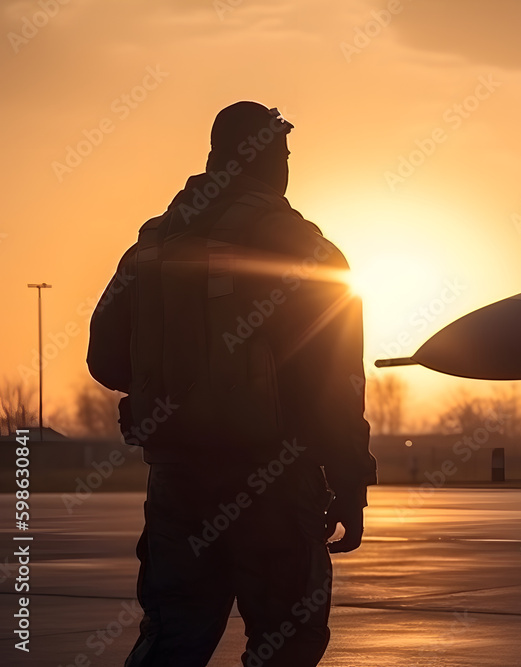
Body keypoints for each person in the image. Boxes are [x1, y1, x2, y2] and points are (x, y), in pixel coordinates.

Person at [87, 101, 376, 666]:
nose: (288, 167)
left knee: (171, 638)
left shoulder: (150, 246)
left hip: (176, 481)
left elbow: (107, 362)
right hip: (272, 477)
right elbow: (335, 382)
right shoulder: (302, 247)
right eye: (284, 154)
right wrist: (348, 481)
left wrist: (181, 383)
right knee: (285, 641)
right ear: (269, 159)